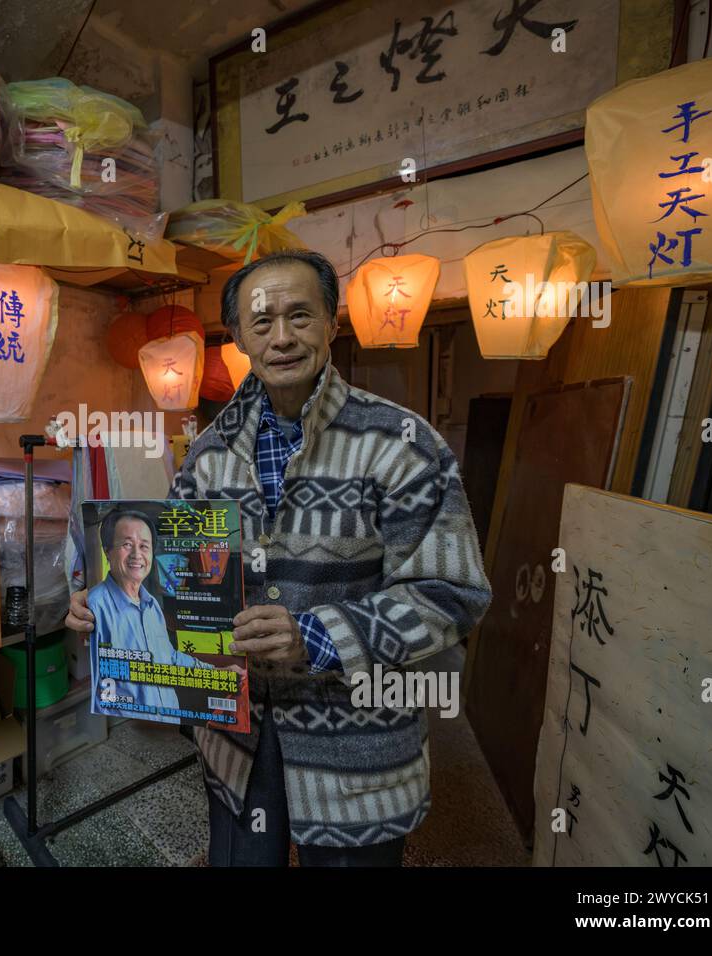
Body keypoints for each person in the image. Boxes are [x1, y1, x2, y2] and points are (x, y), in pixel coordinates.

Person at [68, 250, 492, 866]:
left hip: (355, 743)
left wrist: (318, 638)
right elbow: (176, 573)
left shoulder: (401, 444)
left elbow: (450, 591)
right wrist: (111, 603)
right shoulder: (209, 453)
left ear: (332, 325)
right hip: (237, 736)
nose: (283, 337)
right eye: (262, 323)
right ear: (239, 338)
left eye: (301, 315)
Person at [86, 508, 212, 725]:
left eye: (144, 546)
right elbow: (100, 682)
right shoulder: (96, 605)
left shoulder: (152, 605)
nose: (137, 555)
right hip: (132, 727)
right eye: (127, 544)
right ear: (107, 551)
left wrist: (216, 673)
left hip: (171, 721)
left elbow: (168, 657)